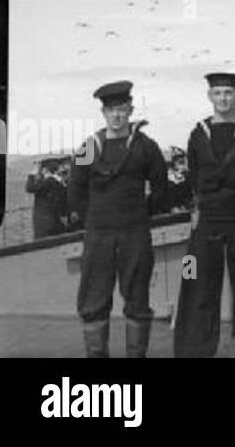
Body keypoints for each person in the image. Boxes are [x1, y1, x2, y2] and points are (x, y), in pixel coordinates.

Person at [173, 71, 235, 358]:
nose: (224, 98)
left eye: (228, 93)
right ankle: (195, 349)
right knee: (196, 280)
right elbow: (193, 175)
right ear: (210, 96)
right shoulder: (197, 133)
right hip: (209, 218)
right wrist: (199, 208)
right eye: (218, 93)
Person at [70, 81, 168, 358]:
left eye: (122, 110)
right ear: (103, 113)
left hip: (134, 232)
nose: (117, 116)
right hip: (98, 234)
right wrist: (94, 219)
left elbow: (161, 187)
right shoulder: (89, 147)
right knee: (94, 299)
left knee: (137, 298)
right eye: (112, 110)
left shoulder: (146, 147)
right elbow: (74, 190)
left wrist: (140, 213)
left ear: (131, 110)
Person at [26, 157, 71, 239]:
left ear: (45, 170)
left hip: (45, 224)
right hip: (56, 222)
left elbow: (30, 188)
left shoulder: (48, 182)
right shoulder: (59, 182)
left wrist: (32, 174)